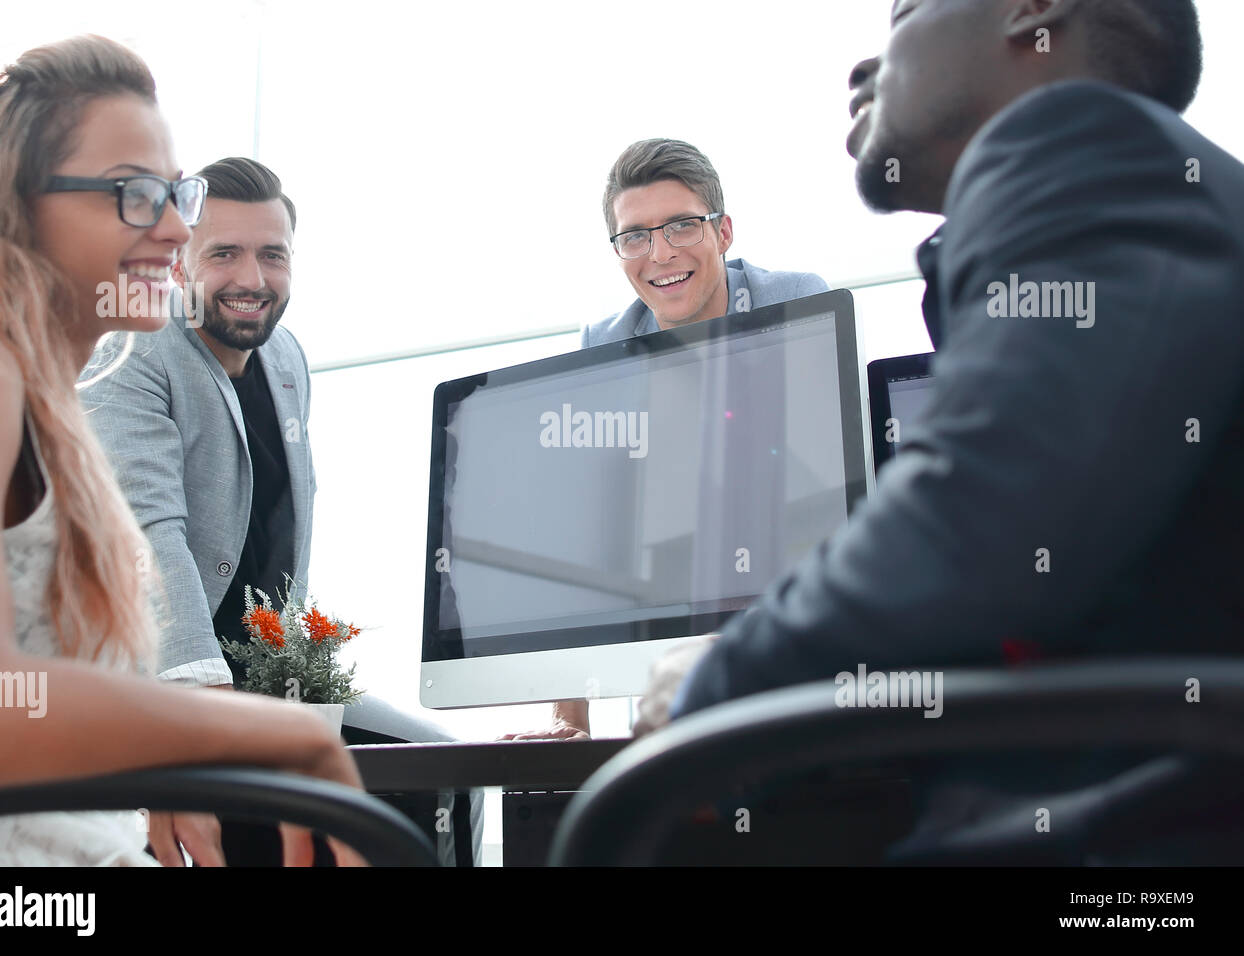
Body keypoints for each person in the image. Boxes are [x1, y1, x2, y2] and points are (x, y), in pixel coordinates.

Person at [636, 0, 1244, 863]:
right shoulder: (1119, 188)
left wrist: (716, 682)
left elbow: (978, 527)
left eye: (905, 14)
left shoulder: (1083, 152)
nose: (864, 69)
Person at [0, 35, 364, 866]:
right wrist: (284, 734)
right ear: (14, 205)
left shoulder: (52, 414)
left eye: (178, 192)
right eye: (135, 194)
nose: (176, 226)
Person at [80, 157, 480, 865]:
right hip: (160, 684)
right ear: (178, 265)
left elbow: (270, 541)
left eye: (273, 255)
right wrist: (199, 718)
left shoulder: (286, 358)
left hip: (266, 678)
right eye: (224, 254)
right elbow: (148, 537)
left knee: (441, 768)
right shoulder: (132, 350)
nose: (252, 280)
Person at [507, 138, 829, 739]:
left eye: (681, 226)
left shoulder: (797, 303)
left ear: (724, 232)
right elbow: (582, 536)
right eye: (634, 236)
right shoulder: (605, 347)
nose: (659, 254)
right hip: (675, 636)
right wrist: (567, 716)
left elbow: (834, 491)